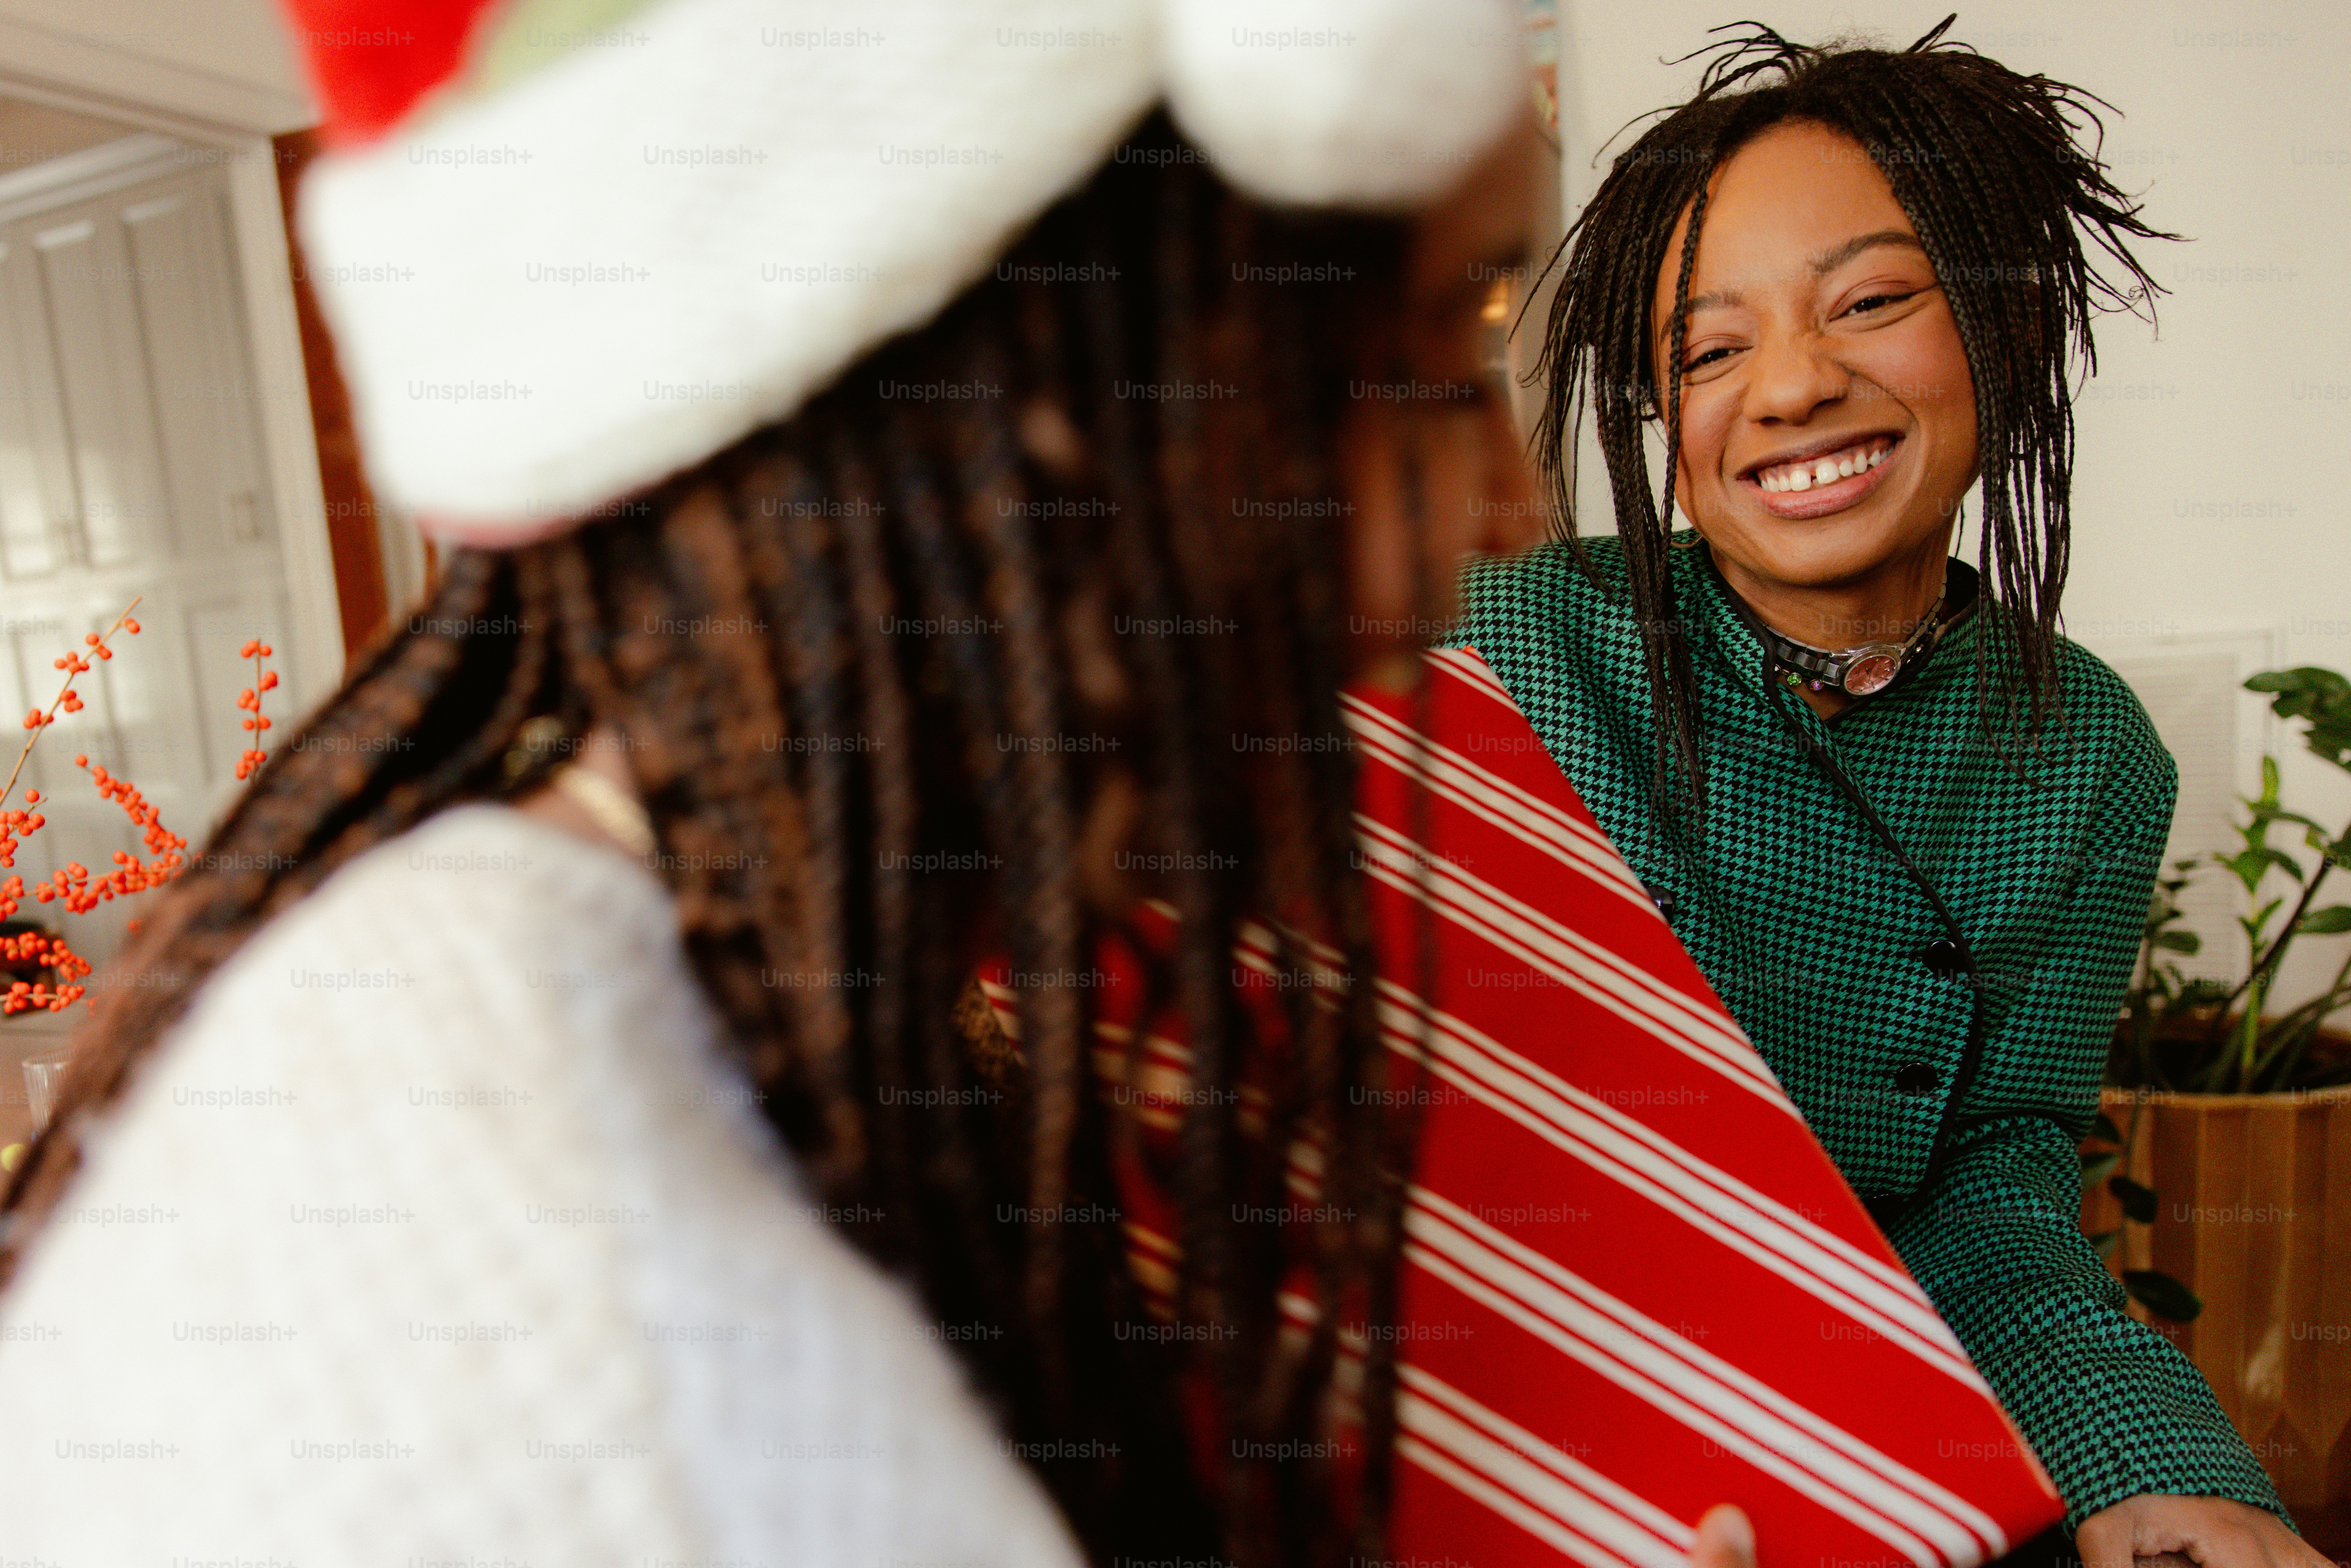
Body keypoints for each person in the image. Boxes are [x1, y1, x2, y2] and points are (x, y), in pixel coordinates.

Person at [0, 3, 1761, 1566]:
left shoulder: (568, 974)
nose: (1507, 513)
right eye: (1419, 372)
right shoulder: (615, 1368)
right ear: (1050, 403)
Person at [1454, 19, 2323, 1568]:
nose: (1789, 387)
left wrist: (2169, 1471)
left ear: (2008, 319)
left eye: (1868, 301)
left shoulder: (2089, 757)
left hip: (1849, 1427)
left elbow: (1990, 1191)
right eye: (1709, 351)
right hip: (1489, 1393)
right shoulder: (1500, 636)